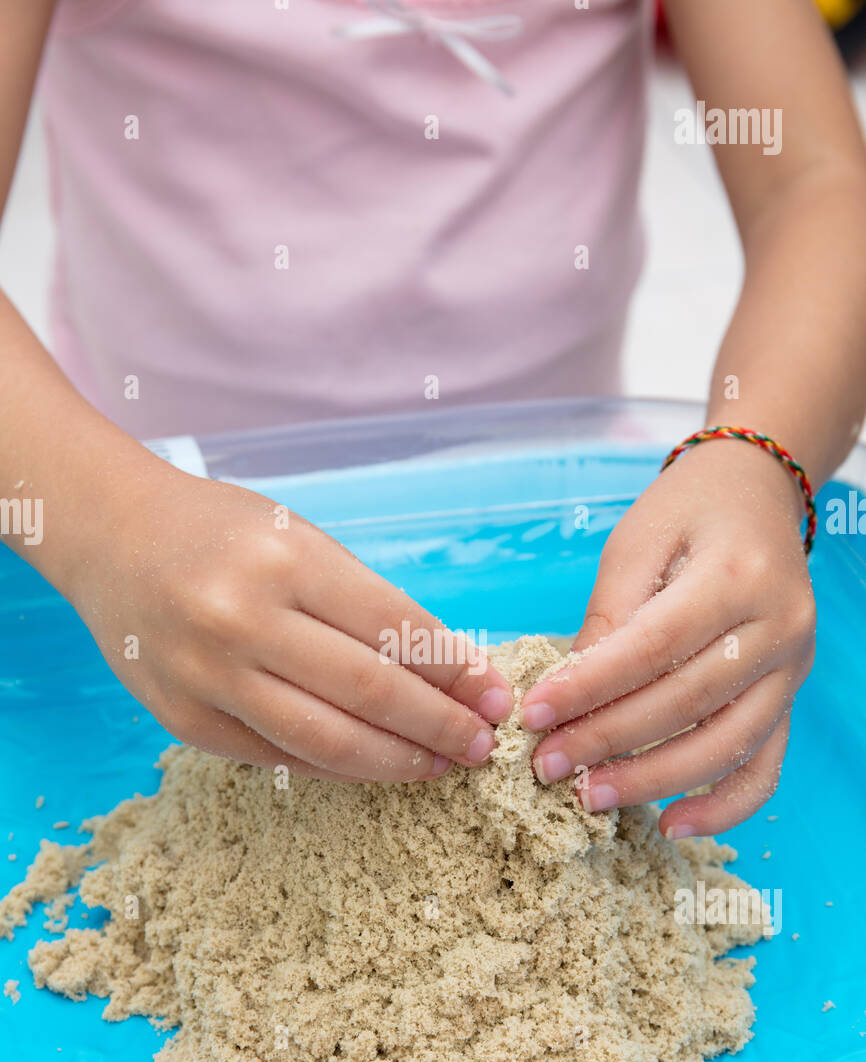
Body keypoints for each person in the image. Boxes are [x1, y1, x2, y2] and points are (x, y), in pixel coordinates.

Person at [2, 0, 865, 835]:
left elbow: (816, 184)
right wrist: (105, 525)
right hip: (143, 521)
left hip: (556, 520)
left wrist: (758, 457)